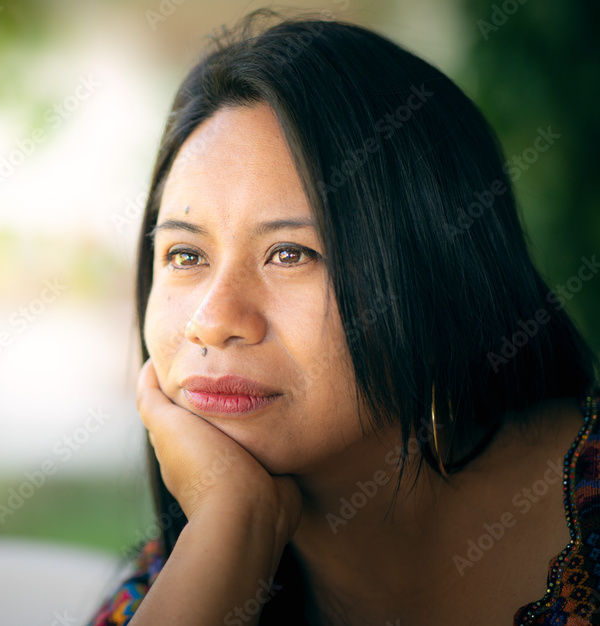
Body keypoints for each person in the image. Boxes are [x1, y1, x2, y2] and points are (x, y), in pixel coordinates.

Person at [89, 10, 599, 626]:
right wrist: (230, 529)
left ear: (433, 274)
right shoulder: (179, 579)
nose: (213, 319)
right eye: (186, 255)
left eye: (290, 254)